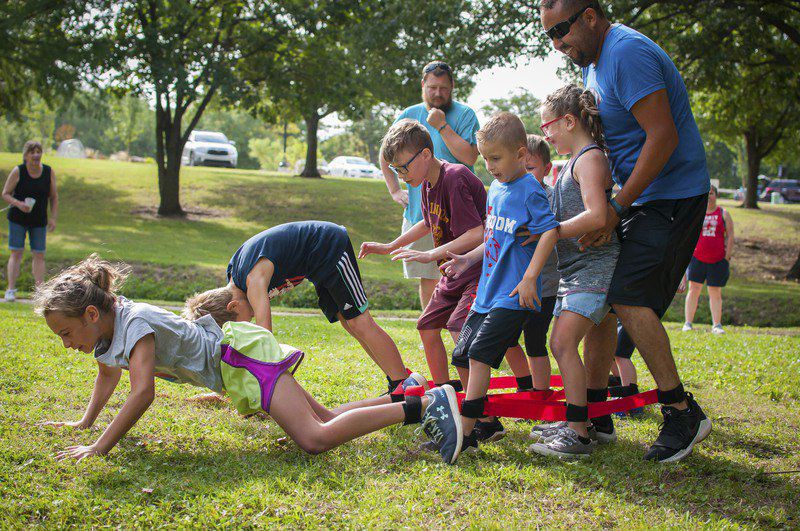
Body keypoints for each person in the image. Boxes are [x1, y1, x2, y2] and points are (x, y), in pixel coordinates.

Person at [35, 255, 465, 464]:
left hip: (241, 362)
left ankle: (426, 405)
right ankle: (415, 394)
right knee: (327, 418)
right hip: (239, 367)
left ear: (91, 314)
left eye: (66, 333)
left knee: (314, 438)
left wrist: (99, 446)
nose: (66, 344)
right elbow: (108, 375)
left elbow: (141, 392)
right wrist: (86, 423)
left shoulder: (135, 324)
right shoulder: (109, 332)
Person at [540, 0, 712, 462]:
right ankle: (595, 412)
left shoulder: (625, 53)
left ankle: (682, 411)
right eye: (549, 35)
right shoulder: (595, 65)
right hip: (641, 198)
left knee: (629, 296)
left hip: (672, 195)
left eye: (560, 30)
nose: (557, 43)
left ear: (590, 15)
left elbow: (663, 137)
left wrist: (616, 207)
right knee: (606, 299)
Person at [361, 119, 531, 442]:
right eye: (396, 170)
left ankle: (485, 417)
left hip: (478, 270)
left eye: (403, 167)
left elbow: (478, 233)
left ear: (425, 154)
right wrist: (390, 245)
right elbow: (428, 223)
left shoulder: (455, 177)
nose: (401, 175)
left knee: (458, 330)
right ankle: (445, 401)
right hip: (453, 272)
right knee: (426, 326)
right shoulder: (426, 184)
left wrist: (431, 254)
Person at [424, 112, 559, 464]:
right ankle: (485, 423)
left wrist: (530, 277)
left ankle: (465, 432)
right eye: (485, 158)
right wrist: (467, 260)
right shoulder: (495, 189)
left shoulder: (530, 190)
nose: (490, 166)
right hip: (486, 293)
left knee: (480, 355)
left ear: (521, 154)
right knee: (461, 355)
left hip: (512, 296)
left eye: (496, 158)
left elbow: (550, 232)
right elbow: (494, 236)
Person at [187, 221, 412, 396]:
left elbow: (264, 340)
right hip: (315, 263)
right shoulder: (235, 279)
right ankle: (397, 381)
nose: (246, 326)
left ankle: (404, 384)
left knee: (359, 321)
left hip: (328, 245)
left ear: (233, 306)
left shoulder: (252, 282)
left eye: (241, 324)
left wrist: (251, 389)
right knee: (349, 323)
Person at [522, 85, 619, 459]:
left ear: (568, 121)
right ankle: (585, 420)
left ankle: (578, 433)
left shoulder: (590, 159)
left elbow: (597, 215)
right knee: (563, 343)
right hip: (575, 272)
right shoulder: (576, 160)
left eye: (547, 126)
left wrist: (553, 231)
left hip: (594, 269)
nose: (545, 134)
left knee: (561, 344)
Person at [378, 61, 480, 312]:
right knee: (428, 276)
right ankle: (433, 325)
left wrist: (442, 126)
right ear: (423, 85)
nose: (437, 93)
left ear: (452, 86)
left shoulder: (465, 114)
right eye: (432, 87)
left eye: (443, 88)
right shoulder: (408, 114)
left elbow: (470, 157)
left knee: (462, 275)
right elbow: (386, 154)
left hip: (458, 214)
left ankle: (459, 325)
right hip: (421, 214)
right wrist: (394, 190)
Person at [2, 140, 59, 302]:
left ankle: (40, 292)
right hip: (18, 219)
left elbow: (54, 197)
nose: (36, 155)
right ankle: (10, 290)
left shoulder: (48, 171)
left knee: (39, 254)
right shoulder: (18, 171)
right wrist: (19, 204)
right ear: (26, 155)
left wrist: (53, 218)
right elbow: (5, 193)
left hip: (39, 220)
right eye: (32, 152)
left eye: (38, 151)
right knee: (16, 253)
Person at [683, 185, 734, 334]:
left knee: (715, 291)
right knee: (693, 289)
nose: (709, 196)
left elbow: (730, 235)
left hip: (718, 260)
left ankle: (717, 325)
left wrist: (727, 256)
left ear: (716, 195)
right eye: (706, 194)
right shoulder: (697, 213)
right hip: (697, 258)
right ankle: (688, 323)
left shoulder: (724, 213)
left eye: (711, 193)